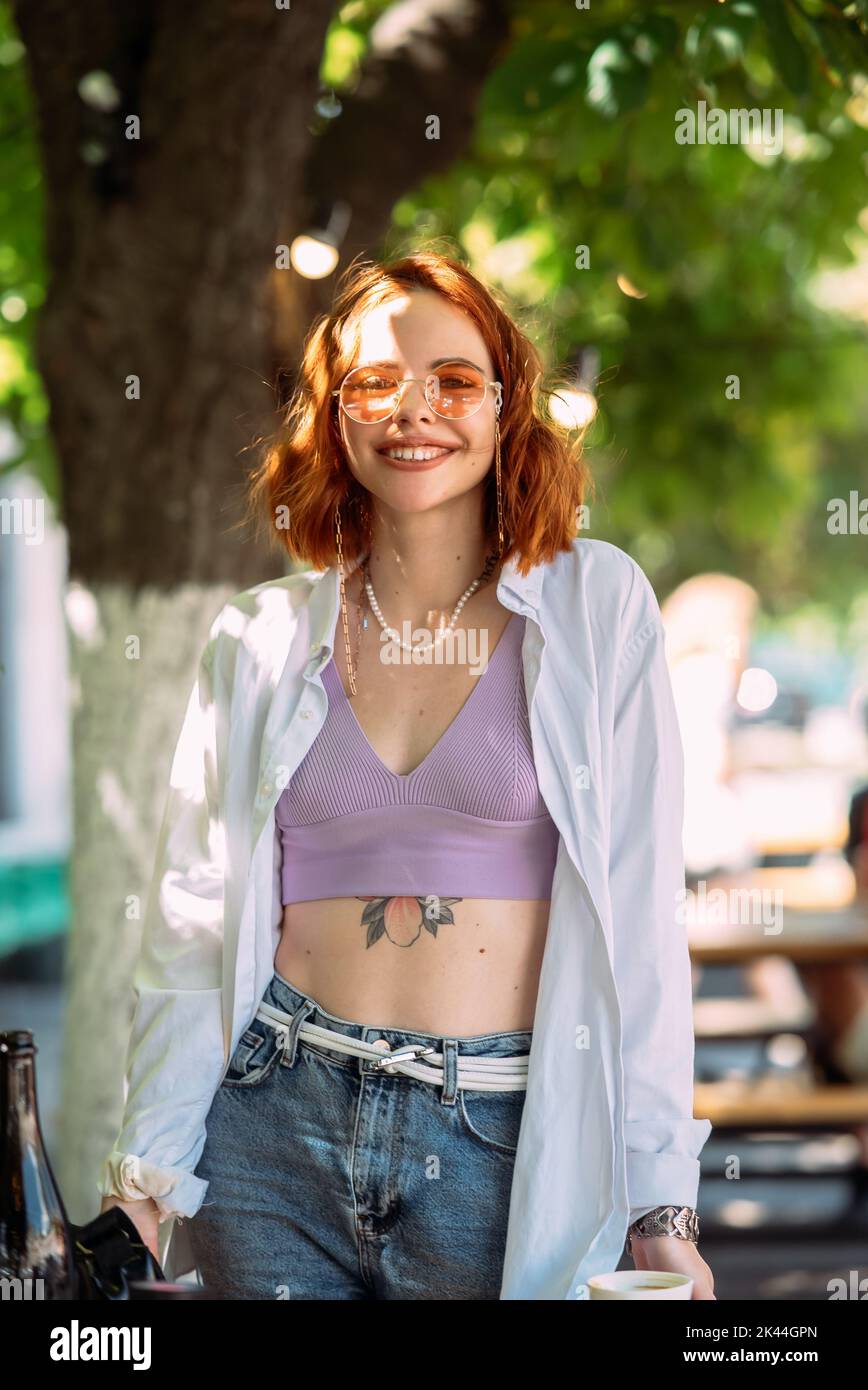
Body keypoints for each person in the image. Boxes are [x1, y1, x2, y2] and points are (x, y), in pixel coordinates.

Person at [97, 250, 714, 1300]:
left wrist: (660, 1206)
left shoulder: (596, 608)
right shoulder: (256, 638)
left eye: (453, 380)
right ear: (333, 417)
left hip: (501, 1138)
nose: (413, 410)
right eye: (374, 383)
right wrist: (145, 1183)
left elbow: (641, 918)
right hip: (269, 1123)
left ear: (505, 403)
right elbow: (192, 924)